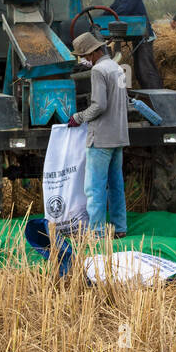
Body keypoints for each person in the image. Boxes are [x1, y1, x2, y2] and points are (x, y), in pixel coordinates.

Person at [67, 31, 129, 238]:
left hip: (101, 137)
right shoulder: (117, 68)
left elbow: (100, 105)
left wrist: (79, 117)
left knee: (94, 188)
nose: (84, 60)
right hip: (118, 135)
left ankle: (98, 232)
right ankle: (120, 227)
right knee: (116, 185)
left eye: (84, 56)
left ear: (92, 53)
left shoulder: (98, 71)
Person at [105, 0, 163, 89]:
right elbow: (112, 10)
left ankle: (158, 98)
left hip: (144, 36)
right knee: (140, 71)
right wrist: (99, 18)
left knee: (146, 71)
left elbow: (120, 12)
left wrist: (105, 21)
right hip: (138, 36)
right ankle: (149, 99)